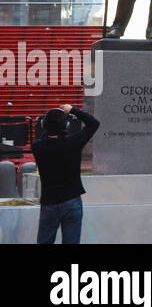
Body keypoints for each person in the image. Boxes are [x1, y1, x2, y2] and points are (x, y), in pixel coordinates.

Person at [31, 104, 100, 244]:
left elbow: (46, 137)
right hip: (72, 201)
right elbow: (93, 123)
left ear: (44, 126)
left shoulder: (37, 146)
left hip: (49, 202)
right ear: (67, 126)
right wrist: (72, 109)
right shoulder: (74, 143)